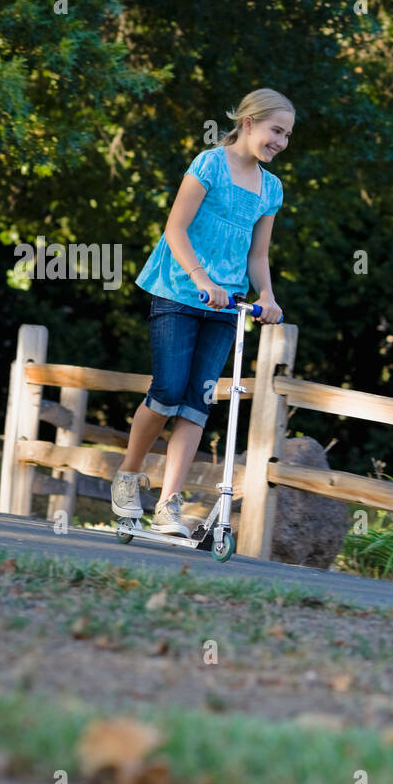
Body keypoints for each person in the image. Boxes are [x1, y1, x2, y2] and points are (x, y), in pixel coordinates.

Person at [111, 88, 292, 535]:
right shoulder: (210, 163)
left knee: (197, 403)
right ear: (249, 122)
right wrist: (201, 279)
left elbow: (257, 256)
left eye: (287, 136)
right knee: (169, 389)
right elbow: (175, 227)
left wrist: (266, 296)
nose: (281, 142)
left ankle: (168, 504)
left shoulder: (271, 188)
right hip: (178, 291)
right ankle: (129, 475)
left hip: (226, 305)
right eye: (276, 131)